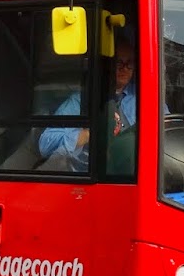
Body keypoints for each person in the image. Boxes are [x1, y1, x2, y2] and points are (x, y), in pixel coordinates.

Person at [39, 35, 141, 173]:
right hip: (94, 176)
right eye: (119, 63)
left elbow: (166, 131)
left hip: (134, 173)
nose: (125, 69)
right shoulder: (82, 99)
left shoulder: (145, 95)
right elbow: (45, 143)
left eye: (130, 63)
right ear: (106, 65)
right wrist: (87, 135)